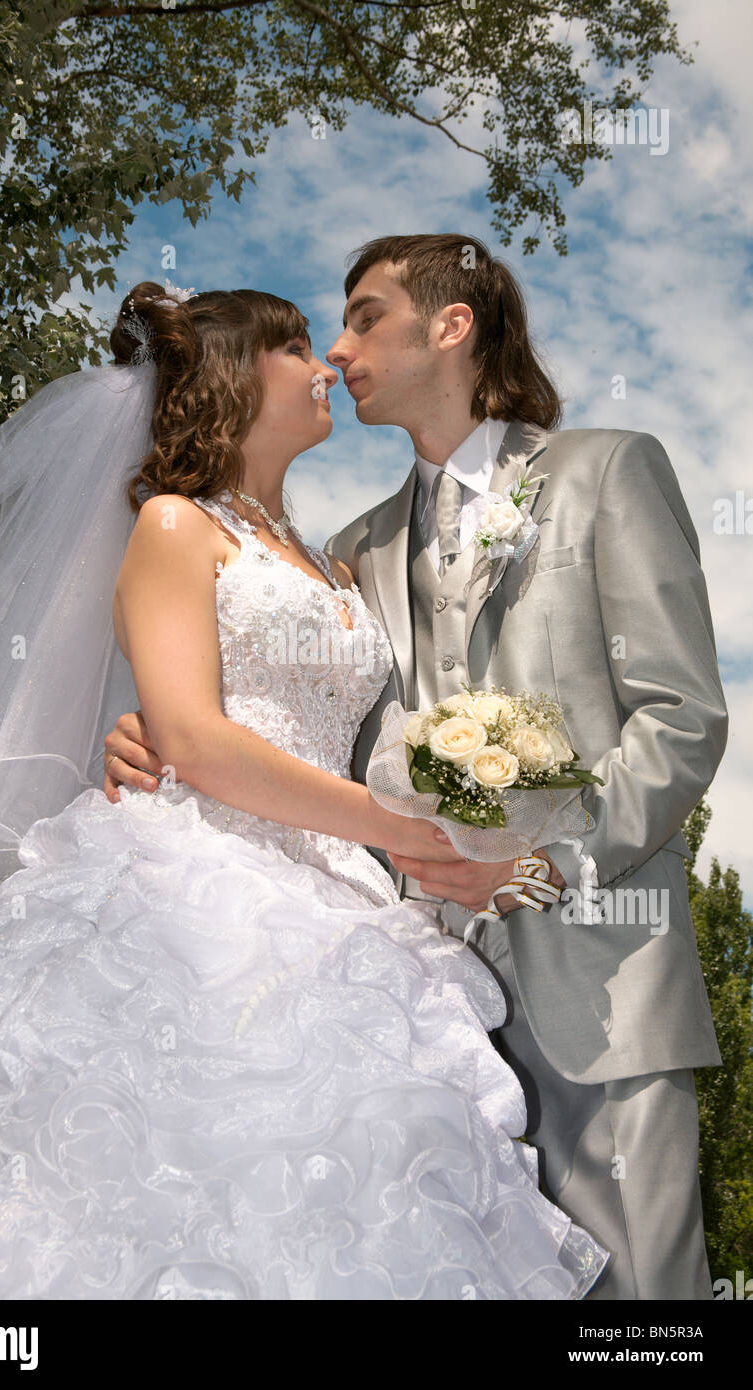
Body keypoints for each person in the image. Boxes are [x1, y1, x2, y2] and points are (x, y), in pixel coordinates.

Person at [0, 282, 608, 1299]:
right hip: (197, 888)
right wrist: (395, 826)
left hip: (337, 895)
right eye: (299, 348)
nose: (324, 368)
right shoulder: (177, 527)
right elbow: (188, 735)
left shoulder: (332, 564)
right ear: (233, 375)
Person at [104, 237, 728, 1300]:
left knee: (642, 1316)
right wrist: (155, 735)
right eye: (321, 334)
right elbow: (308, 729)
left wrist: (531, 869)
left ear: (449, 326)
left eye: (359, 317)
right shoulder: (351, 551)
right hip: (416, 1005)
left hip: (599, 984)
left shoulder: (606, 471)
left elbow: (678, 721)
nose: (336, 351)